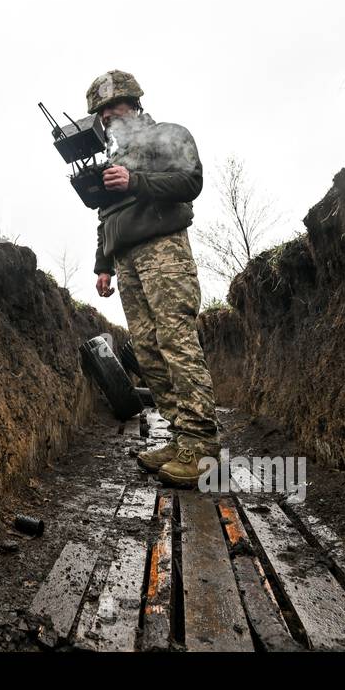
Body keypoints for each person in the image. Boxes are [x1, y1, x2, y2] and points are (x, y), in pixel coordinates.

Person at [88, 69, 220, 488]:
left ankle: (202, 447)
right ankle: (182, 438)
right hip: (125, 260)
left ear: (134, 102)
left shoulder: (170, 135)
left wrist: (136, 181)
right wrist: (103, 264)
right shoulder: (114, 158)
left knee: (176, 340)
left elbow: (191, 182)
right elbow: (105, 216)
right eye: (101, 111)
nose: (107, 115)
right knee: (146, 349)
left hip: (163, 249)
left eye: (114, 105)